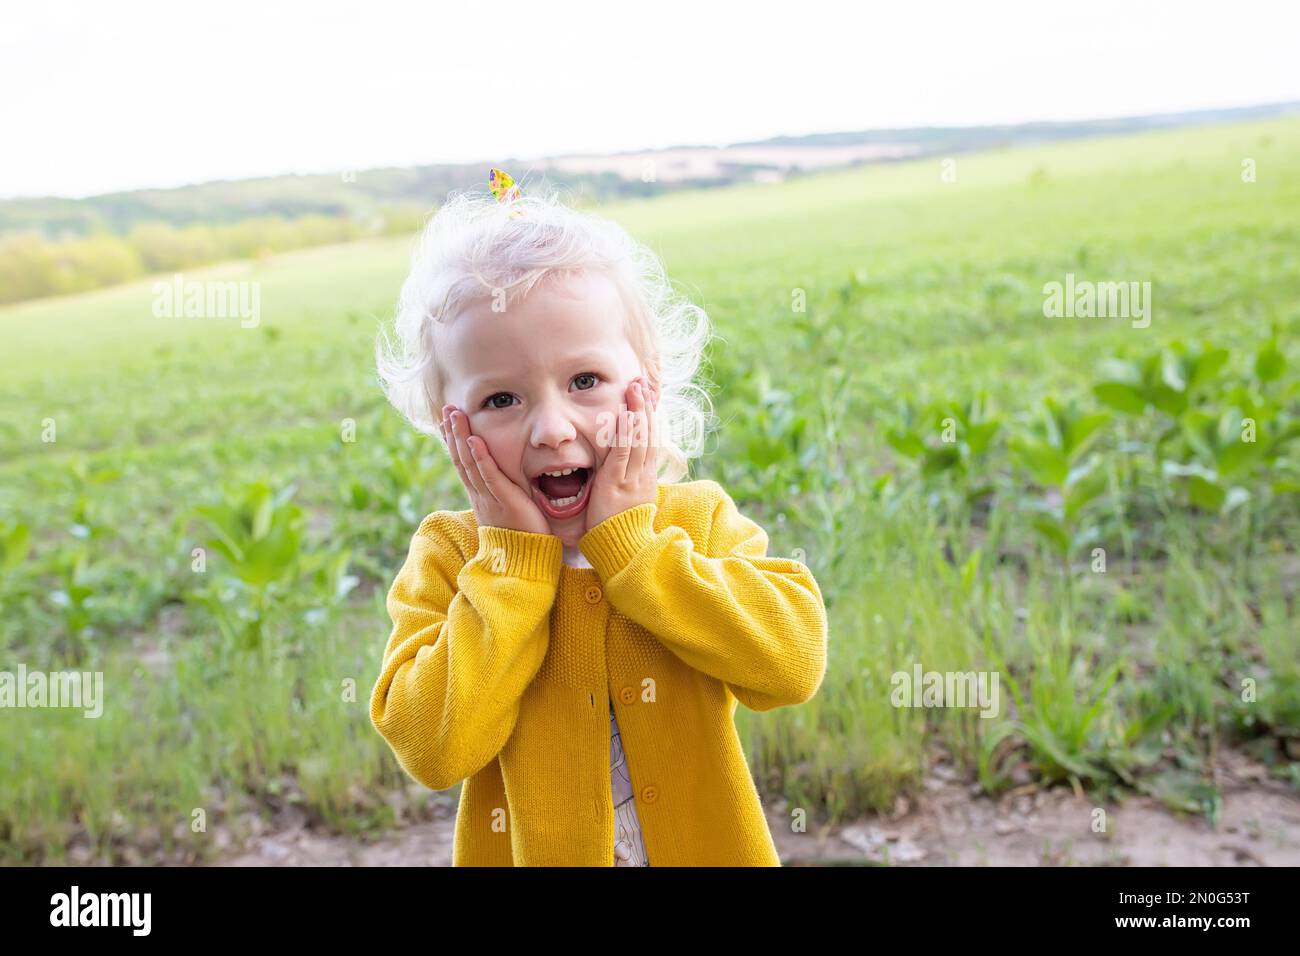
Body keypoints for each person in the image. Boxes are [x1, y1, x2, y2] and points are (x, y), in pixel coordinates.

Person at [368, 170, 829, 866]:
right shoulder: (451, 556)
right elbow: (435, 747)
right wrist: (512, 567)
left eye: (585, 382)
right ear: (449, 424)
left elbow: (789, 667)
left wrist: (635, 553)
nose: (552, 429)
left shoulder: (693, 523)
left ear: (645, 387)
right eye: (502, 399)